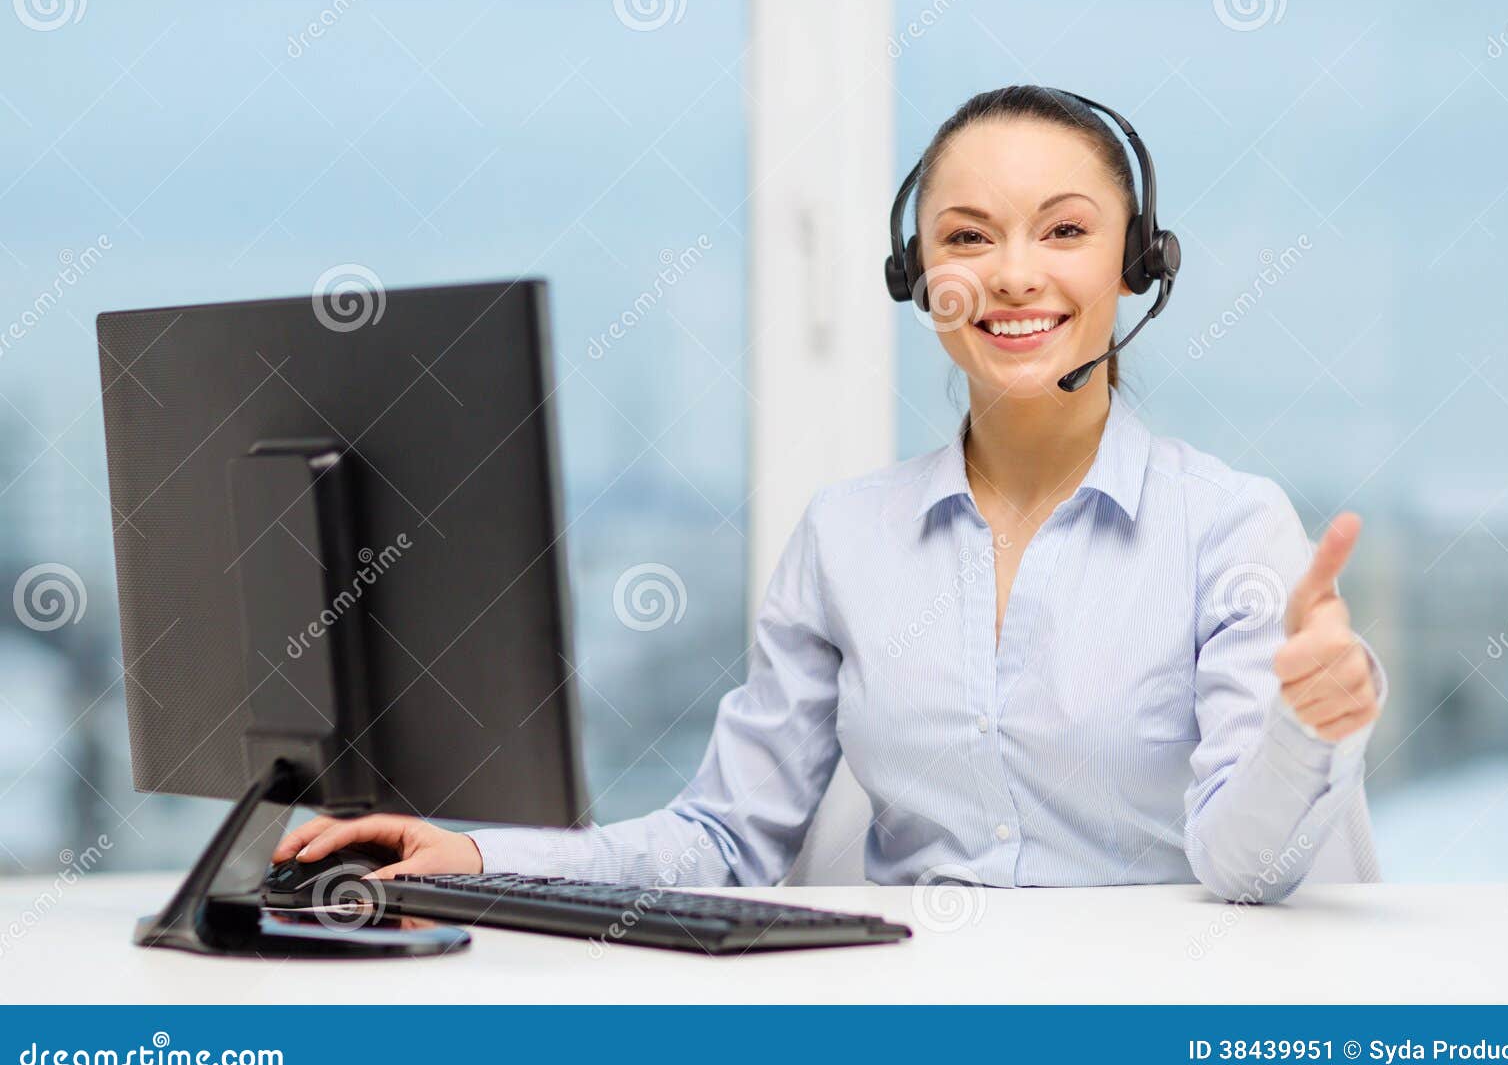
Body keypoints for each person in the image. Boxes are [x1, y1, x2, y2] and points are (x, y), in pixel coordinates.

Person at [275, 86, 1385, 903]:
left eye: (1064, 230)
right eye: (966, 236)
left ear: (1136, 263)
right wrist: (478, 851)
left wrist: (1303, 725)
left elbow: (1243, 869)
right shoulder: (847, 536)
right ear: (918, 281)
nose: (1010, 274)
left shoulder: (1229, 525)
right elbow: (723, 839)